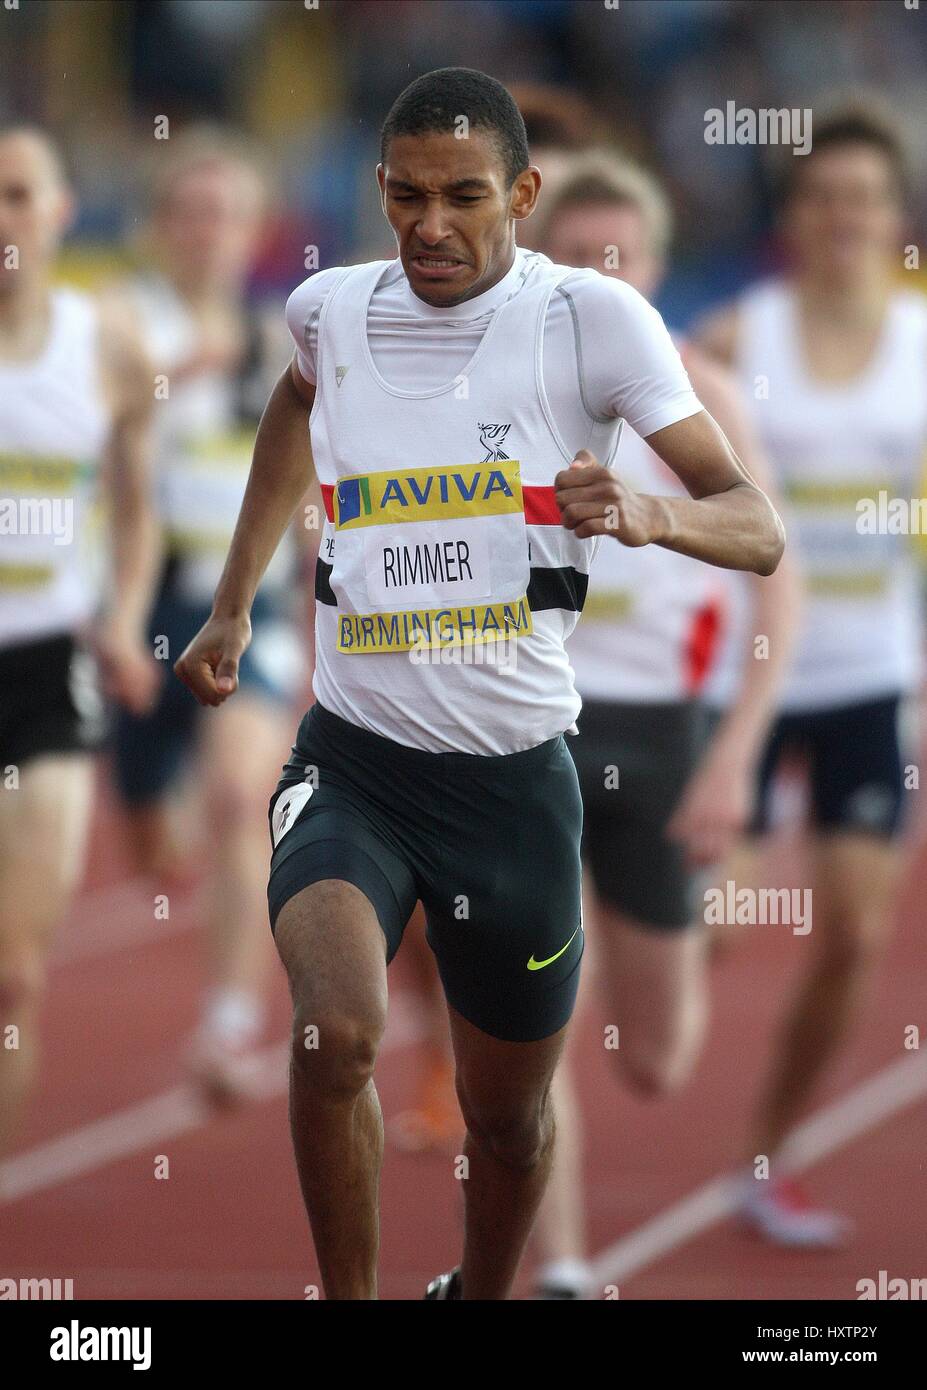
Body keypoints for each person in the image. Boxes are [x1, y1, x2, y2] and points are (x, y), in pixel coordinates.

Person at [175, 67, 784, 1300]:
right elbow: (293, 412)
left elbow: (757, 525)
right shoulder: (329, 311)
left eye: (462, 197)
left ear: (523, 193)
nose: (430, 226)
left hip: (514, 786)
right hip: (355, 761)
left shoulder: (593, 322)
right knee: (336, 1030)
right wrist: (234, 598)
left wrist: (652, 514)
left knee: (508, 1121)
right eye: (405, 196)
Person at [527, 150, 799, 1298]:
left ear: (653, 267)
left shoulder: (701, 398)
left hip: (663, 738)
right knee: (535, 1027)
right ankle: (564, 1269)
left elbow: (776, 587)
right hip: (530, 733)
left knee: (656, 1059)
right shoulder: (506, 397)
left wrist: (737, 759)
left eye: (619, 257)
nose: (599, 274)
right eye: (575, 256)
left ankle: (701, 912)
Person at [697, 103, 927, 1246]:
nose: (844, 217)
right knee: (710, 924)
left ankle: (768, 1155)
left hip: (869, 672)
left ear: (897, 219)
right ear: (796, 216)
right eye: (824, 196)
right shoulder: (744, 337)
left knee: (853, 934)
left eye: (865, 198)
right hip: (744, 672)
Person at [110, 130, 308, 1100]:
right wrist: (187, 369)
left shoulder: (281, 339)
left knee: (245, 798)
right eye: (188, 213)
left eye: (226, 214)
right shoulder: (118, 321)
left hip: (242, 604)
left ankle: (229, 1022)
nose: (206, 233)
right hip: (132, 604)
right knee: (151, 833)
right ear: (156, 226)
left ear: (255, 231)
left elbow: (307, 477)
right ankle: (161, 809)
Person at [0, 127, 158, 1170]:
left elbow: (138, 506)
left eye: (17, 194)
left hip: (45, 667)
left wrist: (123, 612)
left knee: (14, 973)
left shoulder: (106, 343)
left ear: (60, 210)